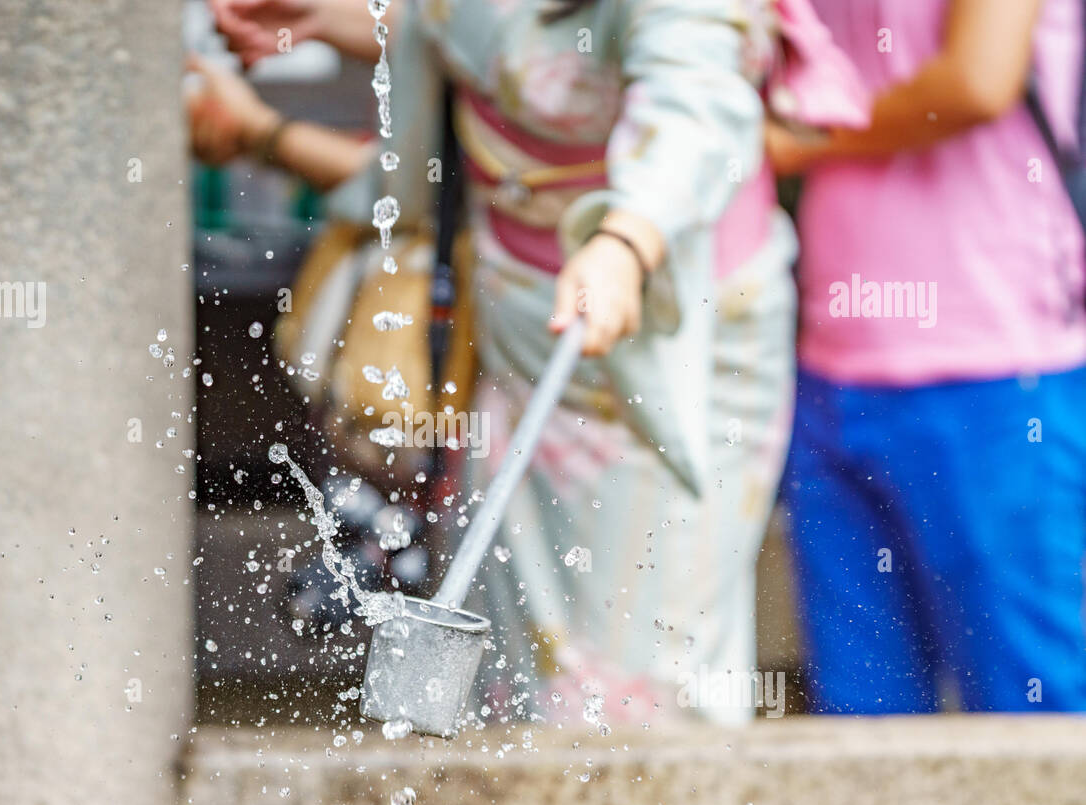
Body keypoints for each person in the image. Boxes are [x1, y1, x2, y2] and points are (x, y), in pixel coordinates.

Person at [191, 0, 807, 726]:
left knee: (646, 661)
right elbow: (474, 35)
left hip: (664, 327)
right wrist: (328, 20)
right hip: (515, 326)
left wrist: (626, 238)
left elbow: (695, 106)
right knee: (514, 647)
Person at [768, 0, 1086, 713]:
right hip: (829, 366)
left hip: (998, 368)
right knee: (863, 734)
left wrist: (804, 141)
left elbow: (977, 81)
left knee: (1032, 723)